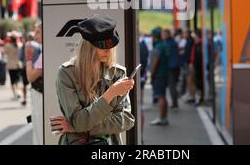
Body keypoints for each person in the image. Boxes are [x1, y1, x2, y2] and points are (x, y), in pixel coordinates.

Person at [53, 15, 135, 145]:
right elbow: (80, 122)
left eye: (111, 45)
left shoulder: (117, 73)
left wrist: (76, 127)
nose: (108, 50)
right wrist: (111, 93)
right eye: (102, 45)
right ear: (88, 47)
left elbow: (126, 120)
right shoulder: (67, 73)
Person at [25, 22, 43, 145]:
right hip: (40, 96)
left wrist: (29, 58)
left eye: (38, 32)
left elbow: (30, 77)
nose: (34, 34)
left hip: (40, 97)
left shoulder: (44, 54)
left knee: (40, 131)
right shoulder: (44, 52)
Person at [150, 27, 169, 125]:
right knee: (163, 96)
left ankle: (161, 118)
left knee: (160, 96)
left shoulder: (158, 47)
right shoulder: (164, 45)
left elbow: (155, 61)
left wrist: (152, 74)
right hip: (165, 73)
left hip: (159, 75)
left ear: (154, 37)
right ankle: (164, 117)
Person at [19, 32, 38, 106]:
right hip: (36, 68)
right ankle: (33, 99)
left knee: (24, 84)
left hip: (26, 67)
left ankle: (24, 99)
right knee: (35, 85)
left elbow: (20, 56)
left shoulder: (25, 45)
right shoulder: (37, 45)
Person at [163, 28, 180, 109]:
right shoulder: (172, 42)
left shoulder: (169, 43)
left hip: (171, 67)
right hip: (173, 66)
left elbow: (167, 55)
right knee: (172, 86)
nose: (163, 36)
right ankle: (174, 102)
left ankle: (175, 103)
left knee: (172, 86)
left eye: (164, 34)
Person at [3, 32, 23, 101]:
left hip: (11, 65)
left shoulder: (7, 45)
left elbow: (4, 52)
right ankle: (19, 92)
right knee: (18, 80)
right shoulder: (20, 45)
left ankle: (15, 94)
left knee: (12, 81)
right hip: (18, 65)